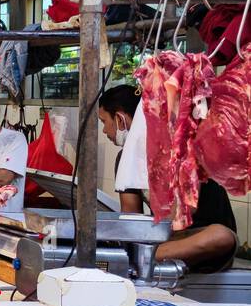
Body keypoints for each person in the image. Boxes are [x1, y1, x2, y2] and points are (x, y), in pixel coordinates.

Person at [99, 84, 238, 273]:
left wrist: (151, 242)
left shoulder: (184, 150)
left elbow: (182, 214)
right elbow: (132, 217)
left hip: (197, 237)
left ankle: (146, 256)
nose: (104, 131)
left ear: (120, 118)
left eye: (104, 121)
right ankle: (145, 255)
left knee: (222, 236)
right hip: (166, 239)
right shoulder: (125, 159)